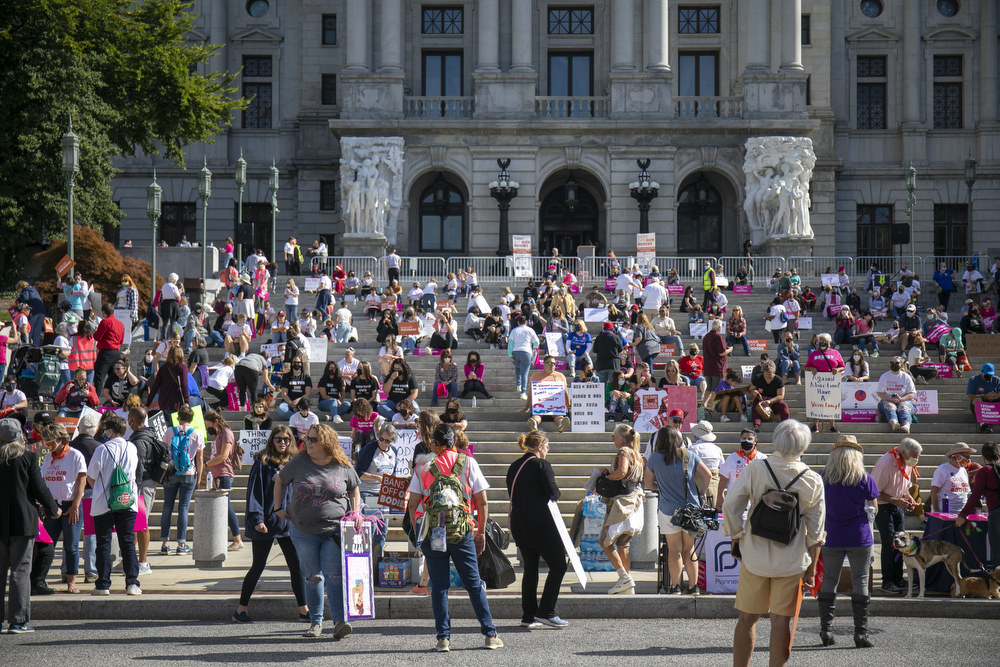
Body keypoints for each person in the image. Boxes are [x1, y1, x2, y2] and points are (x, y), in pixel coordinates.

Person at [723, 419, 825, 667]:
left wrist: (736, 537)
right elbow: (816, 531)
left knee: (747, 619)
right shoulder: (812, 479)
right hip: (791, 560)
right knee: (781, 622)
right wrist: (811, 568)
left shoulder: (756, 468)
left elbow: (730, 505)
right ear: (805, 445)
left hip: (754, 555)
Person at [405, 424, 500, 651]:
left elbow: (412, 505)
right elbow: (483, 502)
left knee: (439, 587)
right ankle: (490, 635)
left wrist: (420, 531)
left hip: (434, 534)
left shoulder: (423, 466)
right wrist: (480, 532)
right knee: (474, 584)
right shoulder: (468, 463)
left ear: (434, 443)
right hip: (462, 531)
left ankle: (443, 639)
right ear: (453, 441)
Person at [233, 425, 308, 623]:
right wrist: (257, 519)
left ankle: (304, 610)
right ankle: (240, 609)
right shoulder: (263, 462)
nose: (283, 442)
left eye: (286, 439)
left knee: (296, 566)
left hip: (288, 523)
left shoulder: (295, 462)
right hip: (266, 521)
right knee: (258, 566)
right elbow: (255, 492)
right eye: (278, 439)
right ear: (271, 440)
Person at [817, 434, 879, 648]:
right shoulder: (864, 477)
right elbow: (874, 508)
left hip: (831, 534)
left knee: (829, 580)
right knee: (860, 580)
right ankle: (860, 634)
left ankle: (825, 630)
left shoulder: (823, 476)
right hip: (858, 535)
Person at [0, 418, 60, 632]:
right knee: (20, 570)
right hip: (23, 521)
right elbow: (39, 488)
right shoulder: (28, 457)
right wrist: (54, 509)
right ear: (19, 436)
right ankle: (17, 621)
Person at [506, 430, 568, 628]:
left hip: (519, 523)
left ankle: (528, 615)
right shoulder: (542, 465)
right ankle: (546, 611)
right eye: (547, 446)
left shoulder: (514, 466)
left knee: (530, 569)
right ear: (540, 446)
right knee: (558, 565)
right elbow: (553, 493)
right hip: (541, 523)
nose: (548, 450)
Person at [645, 425, 712, 594]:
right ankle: (693, 586)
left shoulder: (654, 458)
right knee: (690, 549)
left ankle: (675, 587)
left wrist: (661, 487)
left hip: (668, 510)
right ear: (679, 439)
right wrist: (701, 493)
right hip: (692, 511)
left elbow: (647, 484)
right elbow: (708, 475)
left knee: (673, 549)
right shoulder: (689, 455)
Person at [87, 414, 141, 596]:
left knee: (103, 543)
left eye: (105, 431)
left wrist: (100, 490)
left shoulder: (102, 450)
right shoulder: (131, 448)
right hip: (127, 501)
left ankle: (103, 584)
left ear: (110, 431)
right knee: (127, 543)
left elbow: (91, 477)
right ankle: (132, 583)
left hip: (104, 504)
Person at [38, 424, 86, 594]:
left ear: (60, 439)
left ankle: (71, 582)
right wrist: (44, 506)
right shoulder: (47, 458)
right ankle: (39, 581)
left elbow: (82, 481)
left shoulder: (75, 455)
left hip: (69, 506)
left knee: (71, 545)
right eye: (45, 441)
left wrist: (75, 505)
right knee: (46, 545)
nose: (47, 444)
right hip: (52, 506)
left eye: (50, 441)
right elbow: (43, 483)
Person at [598, 424, 645, 595]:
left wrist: (605, 477)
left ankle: (624, 578)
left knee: (604, 541)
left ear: (620, 438)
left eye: (613, 436)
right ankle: (627, 580)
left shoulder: (624, 451)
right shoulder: (638, 455)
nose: (612, 440)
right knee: (623, 543)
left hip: (622, 503)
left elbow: (622, 472)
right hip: (635, 501)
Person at [871, 437, 922, 594]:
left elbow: (904, 485)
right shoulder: (886, 463)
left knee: (902, 544)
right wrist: (895, 500)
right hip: (883, 506)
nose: (916, 459)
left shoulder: (906, 462)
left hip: (897, 505)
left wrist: (908, 497)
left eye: (918, 456)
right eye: (914, 455)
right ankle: (887, 581)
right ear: (904, 452)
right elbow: (874, 491)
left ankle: (898, 577)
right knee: (889, 544)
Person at [159, 406, 205, 557]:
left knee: (167, 507)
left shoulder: (169, 431)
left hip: (171, 473)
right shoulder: (197, 433)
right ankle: (181, 544)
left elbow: (165, 452)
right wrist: (199, 478)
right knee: (183, 508)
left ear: (178, 417)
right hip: (189, 473)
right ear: (192, 418)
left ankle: (165, 544)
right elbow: (200, 458)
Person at [354, 423, 401, 559]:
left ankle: (377, 559)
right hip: (366, 492)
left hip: (383, 495)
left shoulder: (393, 452)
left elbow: (393, 476)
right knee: (370, 528)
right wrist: (376, 477)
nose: (384, 443)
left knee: (382, 529)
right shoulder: (369, 449)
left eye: (387, 441)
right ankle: (365, 558)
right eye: (381, 439)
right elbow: (358, 473)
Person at [202, 411, 244, 552]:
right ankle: (235, 538)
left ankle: (237, 539)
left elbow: (224, 456)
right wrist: (201, 453)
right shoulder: (218, 435)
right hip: (217, 474)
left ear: (215, 421)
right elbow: (215, 454)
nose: (209, 428)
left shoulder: (226, 433)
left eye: (209, 424)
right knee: (224, 507)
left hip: (224, 474)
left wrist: (206, 464)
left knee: (226, 507)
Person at [955, 441, 1000, 569]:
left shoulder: (984, 471)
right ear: (999, 456)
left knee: (997, 552)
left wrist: (962, 515)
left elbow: (975, 496)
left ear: (983, 458)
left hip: (996, 514)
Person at [125, 407, 158, 576]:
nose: (128, 421)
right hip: (144, 483)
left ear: (135, 420)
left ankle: (143, 562)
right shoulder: (148, 434)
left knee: (141, 524)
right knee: (137, 524)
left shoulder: (139, 440)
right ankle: (131, 560)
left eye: (129, 418)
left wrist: (134, 488)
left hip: (142, 484)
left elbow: (140, 465)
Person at [804, 333, 845, 434]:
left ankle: (832, 426)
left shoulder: (835, 353)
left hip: (831, 383)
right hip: (818, 383)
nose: (822, 343)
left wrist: (837, 370)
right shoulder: (813, 354)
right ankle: (815, 425)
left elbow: (843, 366)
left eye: (824, 341)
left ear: (829, 342)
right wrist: (812, 369)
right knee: (817, 402)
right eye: (820, 341)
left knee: (831, 402)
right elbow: (806, 367)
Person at [715, 429, 765, 511]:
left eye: (749, 439)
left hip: (754, 504)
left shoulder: (762, 458)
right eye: (744, 438)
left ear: (755, 441)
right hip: (734, 503)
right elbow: (723, 479)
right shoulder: (732, 457)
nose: (746, 441)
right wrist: (719, 498)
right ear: (740, 439)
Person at [522, 356, 571, 433]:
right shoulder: (535, 376)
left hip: (555, 404)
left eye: (554, 363)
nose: (552, 365)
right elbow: (531, 393)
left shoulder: (560, 376)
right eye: (550, 363)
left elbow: (565, 393)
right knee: (537, 415)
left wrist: (569, 407)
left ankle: (561, 425)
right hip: (539, 404)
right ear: (544, 364)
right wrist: (526, 408)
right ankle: (534, 424)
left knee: (558, 416)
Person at [929, 442, 974, 514]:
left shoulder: (963, 470)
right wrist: (936, 513)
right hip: (945, 513)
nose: (969, 460)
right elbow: (933, 492)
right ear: (957, 457)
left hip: (961, 514)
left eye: (970, 457)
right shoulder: (943, 469)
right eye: (967, 457)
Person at [876, 357, 917, 434]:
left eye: (897, 363)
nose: (894, 364)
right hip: (887, 399)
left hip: (904, 400)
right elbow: (879, 393)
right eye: (892, 363)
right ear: (889, 365)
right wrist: (890, 399)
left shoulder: (906, 376)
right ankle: (894, 423)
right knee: (889, 406)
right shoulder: (884, 376)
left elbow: (911, 393)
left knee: (903, 407)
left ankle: (906, 425)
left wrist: (901, 399)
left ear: (901, 365)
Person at [144, 345, 190, 413]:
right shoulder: (182, 367)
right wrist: (186, 401)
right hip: (176, 401)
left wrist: (147, 404)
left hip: (163, 402)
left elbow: (155, 387)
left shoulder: (163, 368)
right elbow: (184, 384)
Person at [688, 420, 724, 505]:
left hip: (697, 484)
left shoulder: (693, 448)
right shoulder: (717, 449)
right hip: (715, 484)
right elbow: (723, 468)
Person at [747, 360, 789, 432]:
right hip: (760, 401)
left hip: (773, 401)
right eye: (766, 374)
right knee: (755, 405)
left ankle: (786, 425)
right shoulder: (758, 378)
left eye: (770, 374)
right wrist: (753, 392)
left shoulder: (778, 380)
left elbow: (781, 396)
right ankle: (756, 425)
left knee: (784, 406)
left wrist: (769, 401)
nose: (767, 376)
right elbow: (750, 390)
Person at [701, 320, 732, 414]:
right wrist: (729, 350)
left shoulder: (706, 336)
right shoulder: (718, 337)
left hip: (708, 366)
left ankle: (704, 404)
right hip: (717, 367)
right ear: (719, 327)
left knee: (709, 388)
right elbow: (722, 352)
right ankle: (712, 407)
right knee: (716, 389)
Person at [508, 315, 541, 399]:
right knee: (524, 373)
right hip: (526, 352)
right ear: (526, 322)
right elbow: (537, 342)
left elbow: (510, 344)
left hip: (515, 352)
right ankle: (523, 392)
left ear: (518, 322)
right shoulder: (530, 330)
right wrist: (533, 347)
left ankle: (518, 385)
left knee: (517, 368)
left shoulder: (514, 330)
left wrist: (510, 355)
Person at [967, 363, 1000, 434]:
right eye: (987, 375)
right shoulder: (973, 379)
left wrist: (998, 395)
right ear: (982, 372)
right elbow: (970, 396)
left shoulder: (997, 380)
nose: (989, 376)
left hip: (993, 404)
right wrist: (985, 396)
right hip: (980, 406)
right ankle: (983, 425)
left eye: (990, 375)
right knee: (977, 400)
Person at [278, 356, 313, 420]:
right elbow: (284, 394)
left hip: (301, 401)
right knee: (281, 410)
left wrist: (298, 400)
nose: (296, 364)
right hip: (288, 401)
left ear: (301, 364)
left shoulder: (306, 377)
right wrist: (292, 404)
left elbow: (307, 394)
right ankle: (297, 418)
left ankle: (295, 418)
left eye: (298, 362)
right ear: (291, 363)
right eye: (294, 362)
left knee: (305, 408)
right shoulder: (286, 376)